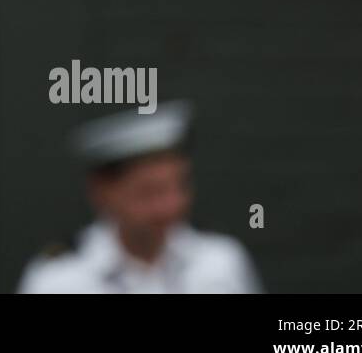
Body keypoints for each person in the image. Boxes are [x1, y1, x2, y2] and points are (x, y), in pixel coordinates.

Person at [18, 101, 262, 293]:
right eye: (149, 193)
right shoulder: (58, 280)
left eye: (179, 186)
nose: (170, 206)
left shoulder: (221, 263)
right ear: (102, 192)